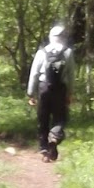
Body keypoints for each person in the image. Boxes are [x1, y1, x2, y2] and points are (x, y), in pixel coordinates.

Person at [26, 24, 75, 162]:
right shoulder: (68, 52)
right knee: (60, 118)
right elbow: (71, 75)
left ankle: (44, 151)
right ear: (63, 37)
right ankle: (54, 137)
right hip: (60, 89)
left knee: (43, 120)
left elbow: (34, 73)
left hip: (43, 88)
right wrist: (70, 93)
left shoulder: (42, 52)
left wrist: (31, 93)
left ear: (51, 37)